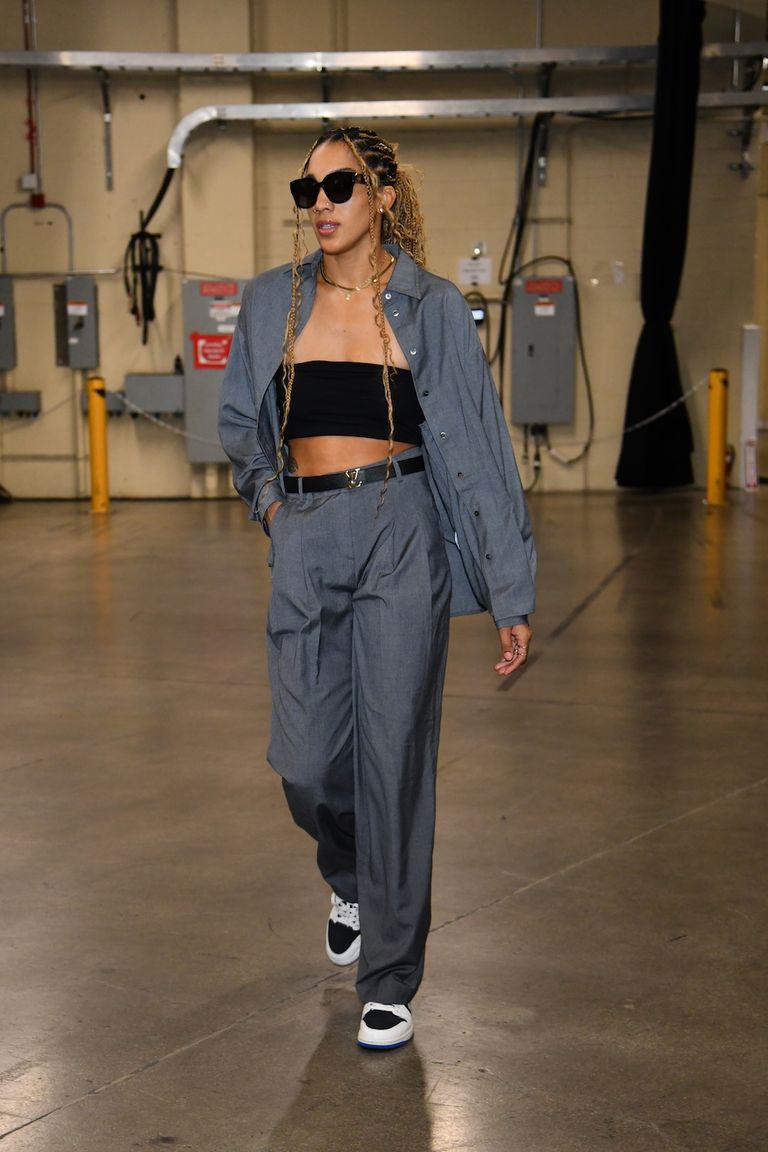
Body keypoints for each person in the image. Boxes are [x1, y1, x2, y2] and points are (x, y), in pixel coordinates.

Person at [218, 126, 536, 1051]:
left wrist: (509, 590)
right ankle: (349, 873)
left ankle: (389, 975)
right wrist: (275, 508)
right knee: (310, 763)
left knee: (394, 756)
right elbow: (243, 421)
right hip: (308, 532)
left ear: (382, 196)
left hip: (402, 531)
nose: (320, 202)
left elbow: (477, 450)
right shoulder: (272, 303)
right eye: (306, 187)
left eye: (340, 184)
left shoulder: (430, 307)